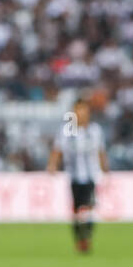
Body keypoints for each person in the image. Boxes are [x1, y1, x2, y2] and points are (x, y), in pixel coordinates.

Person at [47, 98, 108, 253]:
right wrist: (53, 164)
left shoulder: (95, 130)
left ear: (88, 112)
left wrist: (105, 168)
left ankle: (86, 238)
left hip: (91, 175)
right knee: (76, 210)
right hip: (74, 176)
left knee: (88, 208)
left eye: (83, 110)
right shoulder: (68, 129)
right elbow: (58, 149)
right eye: (77, 110)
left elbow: (101, 151)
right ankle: (79, 239)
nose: (80, 113)